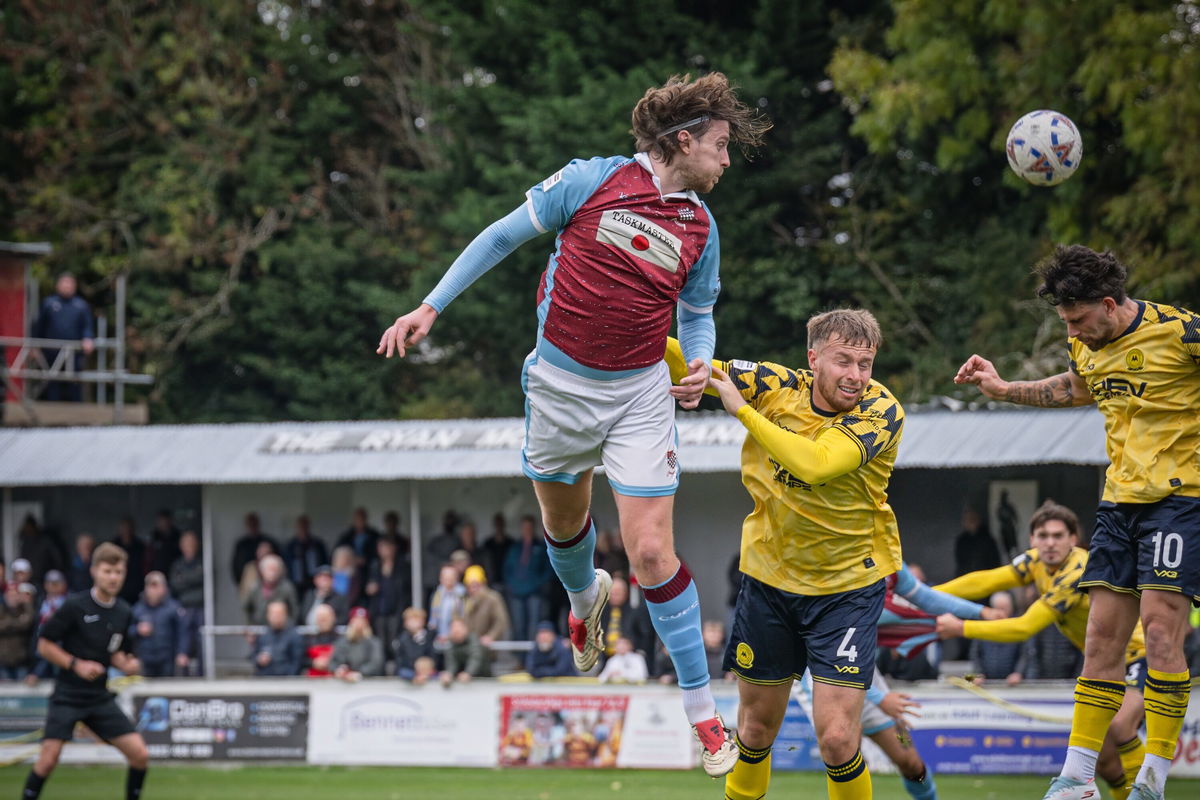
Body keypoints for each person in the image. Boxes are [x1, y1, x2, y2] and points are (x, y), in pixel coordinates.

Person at [377, 72, 769, 775]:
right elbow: (500, 236)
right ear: (683, 141)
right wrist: (430, 306)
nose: (726, 160)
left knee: (652, 554)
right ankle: (587, 595)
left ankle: (703, 715)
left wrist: (699, 366)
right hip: (559, 389)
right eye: (719, 145)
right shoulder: (591, 181)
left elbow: (699, 314)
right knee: (565, 532)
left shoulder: (702, 228)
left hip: (642, 396)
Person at [953, 245, 1200, 800]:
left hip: (1182, 502)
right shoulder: (1083, 344)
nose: (1075, 332)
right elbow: (1074, 387)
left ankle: (1153, 782)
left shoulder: (1182, 333)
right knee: (1101, 637)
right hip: (1119, 503)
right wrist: (1003, 388)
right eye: (1066, 323)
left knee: (1160, 632)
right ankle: (1077, 777)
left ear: (1110, 305)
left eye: (1080, 321)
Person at [666, 308, 904, 799]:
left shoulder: (883, 412)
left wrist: (741, 411)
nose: (857, 376)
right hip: (770, 582)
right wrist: (626, 329)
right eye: (844, 362)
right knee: (754, 732)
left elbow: (816, 464)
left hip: (846, 590)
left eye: (866, 364)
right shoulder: (776, 383)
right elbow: (689, 365)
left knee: (838, 739)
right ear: (813, 358)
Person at [934, 500, 1149, 800]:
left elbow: (1025, 627)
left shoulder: (1078, 570)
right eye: (1043, 536)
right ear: (1032, 540)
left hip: (1139, 653)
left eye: (1058, 535)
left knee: (1120, 723)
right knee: (1105, 761)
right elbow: (985, 580)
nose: (1050, 543)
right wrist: (924, 594)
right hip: (1105, 662)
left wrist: (962, 628)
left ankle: (1151, 790)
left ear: (1073, 539)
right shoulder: (1034, 562)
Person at [22, 542, 149, 800]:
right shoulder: (74, 605)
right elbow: (44, 645)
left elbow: (114, 652)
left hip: (98, 697)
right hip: (68, 693)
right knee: (48, 760)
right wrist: (75, 665)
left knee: (140, 755)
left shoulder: (124, 611)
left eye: (118, 572)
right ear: (94, 571)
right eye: (108, 571)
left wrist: (126, 665)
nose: (113, 577)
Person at [32, 271, 94, 402]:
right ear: (57, 285)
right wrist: (34, 346)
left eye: (70, 283)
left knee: (74, 384)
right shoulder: (48, 304)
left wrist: (88, 339)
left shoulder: (81, 305)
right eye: (64, 283)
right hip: (51, 353)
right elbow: (39, 327)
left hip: (74, 354)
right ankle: (51, 415)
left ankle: (76, 417)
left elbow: (87, 327)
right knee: (51, 384)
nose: (67, 286)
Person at [130, 572, 188, 678]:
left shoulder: (173, 608)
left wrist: (182, 652)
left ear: (164, 587)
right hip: (144, 658)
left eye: (157, 585)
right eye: (151, 585)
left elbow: (183, 632)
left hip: (167, 658)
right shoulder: (137, 609)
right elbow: (127, 631)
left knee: (166, 689)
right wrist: (138, 629)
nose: (154, 590)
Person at [503, 515, 552, 641]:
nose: (527, 529)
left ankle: (532, 656)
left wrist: (537, 583)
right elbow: (507, 569)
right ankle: (520, 658)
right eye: (524, 527)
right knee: (518, 624)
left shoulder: (540, 546)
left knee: (533, 624)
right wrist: (511, 585)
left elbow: (548, 570)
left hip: (534, 592)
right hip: (516, 593)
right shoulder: (515, 547)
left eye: (529, 527)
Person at [365, 535, 409, 660]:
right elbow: (368, 585)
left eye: (386, 547)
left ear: (393, 548)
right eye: (380, 547)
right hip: (379, 610)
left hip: (395, 610)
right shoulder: (375, 565)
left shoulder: (402, 565)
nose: (383, 550)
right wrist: (370, 588)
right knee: (380, 643)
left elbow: (404, 587)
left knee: (394, 642)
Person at [168, 530, 204, 675]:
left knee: (202, 641)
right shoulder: (178, 564)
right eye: (186, 543)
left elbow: (204, 582)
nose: (189, 546)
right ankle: (183, 673)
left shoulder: (202, 562)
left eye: (192, 543)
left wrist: (186, 580)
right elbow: (175, 584)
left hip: (201, 607)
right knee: (184, 641)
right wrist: (194, 579)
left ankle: (203, 674)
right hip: (183, 608)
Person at [968, 592, 1023, 682]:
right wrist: (978, 673)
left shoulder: (1018, 627)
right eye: (998, 609)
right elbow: (975, 653)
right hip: (987, 682)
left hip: (1013, 682)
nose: (1001, 613)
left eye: (1005, 609)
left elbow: (1025, 654)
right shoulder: (983, 628)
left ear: (1011, 609)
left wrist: (1018, 673)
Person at [330, 607, 384, 681]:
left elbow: (376, 664)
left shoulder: (374, 642)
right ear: (351, 622)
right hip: (343, 683)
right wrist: (338, 669)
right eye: (356, 621)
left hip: (368, 682)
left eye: (362, 621)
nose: (359, 624)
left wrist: (360, 673)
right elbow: (333, 662)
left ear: (367, 624)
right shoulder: (342, 642)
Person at [242, 554, 298, 625]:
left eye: (275, 570)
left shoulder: (287, 587)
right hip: (258, 629)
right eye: (269, 569)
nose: (272, 573)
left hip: (281, 629)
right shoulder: (254, 587)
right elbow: (246, 608)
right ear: (262, 571)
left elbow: (294, 610)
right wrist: (250, 627)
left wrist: (288, 627)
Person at [251, 600, 302, 677]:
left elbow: (297, 663)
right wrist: (259, 659)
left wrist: (289, 681)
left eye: (279, 614)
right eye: (273, 614)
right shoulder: (263, 636)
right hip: (264, 679)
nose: (276, 617)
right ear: (268, 616)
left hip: (285, 680)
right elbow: (253, 656)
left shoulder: (294, 636)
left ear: (285, 615)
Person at [463, 565, 510, 648]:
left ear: (483, 583)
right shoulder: (464, 599)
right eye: (470, 586)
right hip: (468, 645)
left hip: (487, 646)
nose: (473, 589)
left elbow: (501, 621)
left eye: (476, 585)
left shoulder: (493, 598)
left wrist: (491, 636)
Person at [283, 514, 329, 597]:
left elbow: (324, 563)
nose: (302, 529)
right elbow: (286, 565)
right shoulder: (291, 546)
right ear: (296, 527)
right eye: (300, 526)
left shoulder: (317, 544)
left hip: (313, 582)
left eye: (305, 526)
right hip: (296, 583)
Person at [229, 512, 279, 587]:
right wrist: (240, 583)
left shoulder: (268, 542)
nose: (252, 527)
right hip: (246, 583)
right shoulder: (241, 545)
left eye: (254, 524)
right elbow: (235, 565)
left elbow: (277, 562)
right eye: (250, 524)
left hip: (267, 584)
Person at [0, 581, 35, 680]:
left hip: (21, 660)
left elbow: (27, 623)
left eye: (15, 594)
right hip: (3, 660)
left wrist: (7, 624)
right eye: (9, 595)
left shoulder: (25, 609)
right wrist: (17, 622)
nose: (12, 598)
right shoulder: (1, 609)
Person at [335, 507, 380, 586]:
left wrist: (365, 560)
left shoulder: (374, 535)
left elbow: (378, 555)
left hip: (368, 572)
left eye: (362, 518)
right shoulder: (346, 536)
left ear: (366, 519)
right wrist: (352, 560)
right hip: (349, 574)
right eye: (357, 518)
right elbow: (337, 553)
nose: (359, 521)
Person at [440, 617, 489, 684]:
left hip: (483, 679)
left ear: (466, 629)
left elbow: (475, 658)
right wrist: (449, 674)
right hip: (461, 681)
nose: (456, 630)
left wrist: (468, 673)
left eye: (458, 627)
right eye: (453, 627)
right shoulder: (450, 644)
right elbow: (451, 662)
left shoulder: (474, 640)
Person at [393, 607, 436, 682]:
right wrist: (414, 675)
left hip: (429, 674)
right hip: (409, 674)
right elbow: (399, 663)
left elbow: (434, 658)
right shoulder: (402, 639)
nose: (412, 622)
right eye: (409, 620)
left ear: (422, 621)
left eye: (415, 619)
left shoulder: (431, 636)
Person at [18, 515, 63, 584]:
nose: (28, 529)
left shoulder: (45, 541)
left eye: (30, 527)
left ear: (34, 526)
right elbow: (22, 560)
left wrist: (54, 572)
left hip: (43, 577)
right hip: (29, 579)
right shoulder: (25, 542)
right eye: (27, 527)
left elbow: (56, 558)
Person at [111, 517, 146, 605]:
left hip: (137, 588)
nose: (126, 531)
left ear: (133, 529)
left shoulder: (140, 546)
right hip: (118, 588)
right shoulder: (113, 545)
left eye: (128, 528)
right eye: (123, 528)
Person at [428, 564, 465, 643]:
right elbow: (433, 619)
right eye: (445, 576)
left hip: (457, 638)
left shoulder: (463, 594)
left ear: (456, 578)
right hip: (439, 637)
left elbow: (464, 617)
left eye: (451, 576)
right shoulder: (437, 595)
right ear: (440, 578)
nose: (448, 579)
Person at [479, 512, 513, 593]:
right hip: (491, 581)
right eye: (497, 524)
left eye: (500, 524)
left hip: (508, 582)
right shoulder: (488, 544)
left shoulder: (510, 543)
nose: (499, 526)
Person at [303, 604, 339, 678]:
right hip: (313, 680)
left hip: (335, 680)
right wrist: (313, 663)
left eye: (326, 618)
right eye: (321, 619)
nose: (323, 621)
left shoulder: (340, 639)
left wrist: (331, 662)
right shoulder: (309, 639)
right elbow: (301, 659)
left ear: (333, 618)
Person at [145, 509, 181, 576]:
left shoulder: (177, 536)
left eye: (164, 520)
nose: (163, 523)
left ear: (169, 521)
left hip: (174, 573)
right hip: (157, 574)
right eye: (160, 521)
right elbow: (148, 557)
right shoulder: (154, 536)